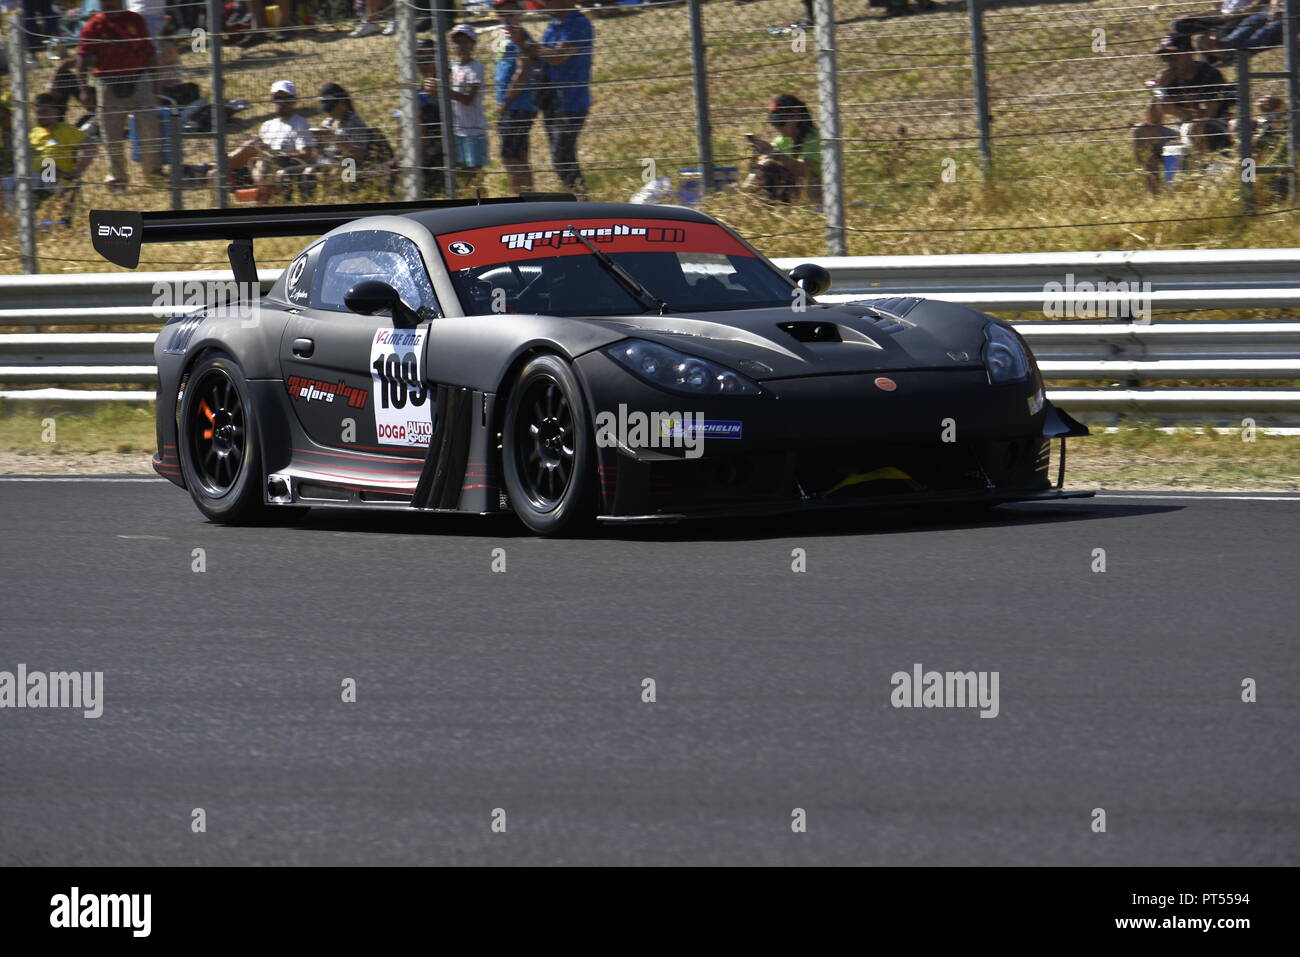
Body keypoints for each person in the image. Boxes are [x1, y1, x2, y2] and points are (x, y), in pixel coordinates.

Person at [508, 0, 592, 196]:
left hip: (572, 101)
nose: (545, 4)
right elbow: (541, 60)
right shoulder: (553, 26)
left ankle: (581, 198)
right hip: (552, 100)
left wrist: (529, 44)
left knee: (561, 155)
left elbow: (557, 57)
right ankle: (577, 196)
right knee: (561, 156)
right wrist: (522, 43)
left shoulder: (579, 24)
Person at [76, 0, 161, 193]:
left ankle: (153, 173)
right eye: (105, 2)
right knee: (111, 134)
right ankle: (117, 179)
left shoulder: (135, 20)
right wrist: (83, 88)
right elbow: (82, 59)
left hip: (139, 79)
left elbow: (149, 51)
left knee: (150, 126)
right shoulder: (93, 26)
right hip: (107, 83)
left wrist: (157, 84)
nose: (109, 4)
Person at [217, 79, 318, 199]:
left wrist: (282, 155)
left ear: (293, 101)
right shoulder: (268, 125)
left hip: (283, 165)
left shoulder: (299, 124)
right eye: (277, 99)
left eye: (285, 99)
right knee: (251, 145)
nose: (281, 103)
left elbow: (306, 155)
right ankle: (223, 166)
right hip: (261, 164)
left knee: (253, 147)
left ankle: (222, 166)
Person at [744, 93, 822, 204]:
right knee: (767, 166)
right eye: (775, 123)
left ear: (796, 117)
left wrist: (776, 154)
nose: (778, 127)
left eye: (781, 123)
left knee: (812, 180)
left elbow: (804, 171)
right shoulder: (781, 141)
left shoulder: (814, 138)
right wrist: (760, 160)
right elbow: (765, 166)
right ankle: (770, 206)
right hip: (796, 193)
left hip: (819, 191)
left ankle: (816, 210)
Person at [493, 0, 538, 193]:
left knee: (510, 157)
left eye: (510, 14)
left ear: (520, 14)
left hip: (517, 105)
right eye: (503, 15)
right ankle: (527, 194)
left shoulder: (521, 37)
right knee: (519, 155)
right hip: (513, 104)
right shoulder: (506, 38)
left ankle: (519, 194)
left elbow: (523, 71)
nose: (507, 19)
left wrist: (507, 100)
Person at [317, 81, 394, 190]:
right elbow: (318, 154)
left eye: (330, 108)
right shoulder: (327, 123)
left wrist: (336, 140)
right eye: (326, 109)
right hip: (325, 165)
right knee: (305, 172)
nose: (328, 112)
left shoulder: (354, 122)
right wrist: (317, 144)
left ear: (342, 102)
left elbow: (360, 156)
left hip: (347, 167)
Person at [30, 90, 95, 202]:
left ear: (55, 112)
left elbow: (91, 147)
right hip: (32, 178)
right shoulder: (34, 133)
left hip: (57, 179)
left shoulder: (66, 130)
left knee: (48, 164)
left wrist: (76, 172)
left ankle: (44, 195)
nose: (40, 116)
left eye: (44, 111)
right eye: (38, 112)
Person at [448, 23, 488, 190]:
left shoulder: (476, 68)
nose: (461, 46)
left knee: (474, 173)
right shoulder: (451, 66)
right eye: (457, 42)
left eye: (465, 42)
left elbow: (468, 99)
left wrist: (444, 92)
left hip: (473, 129)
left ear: (473, 44)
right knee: (460, 172)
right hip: (456, 128)